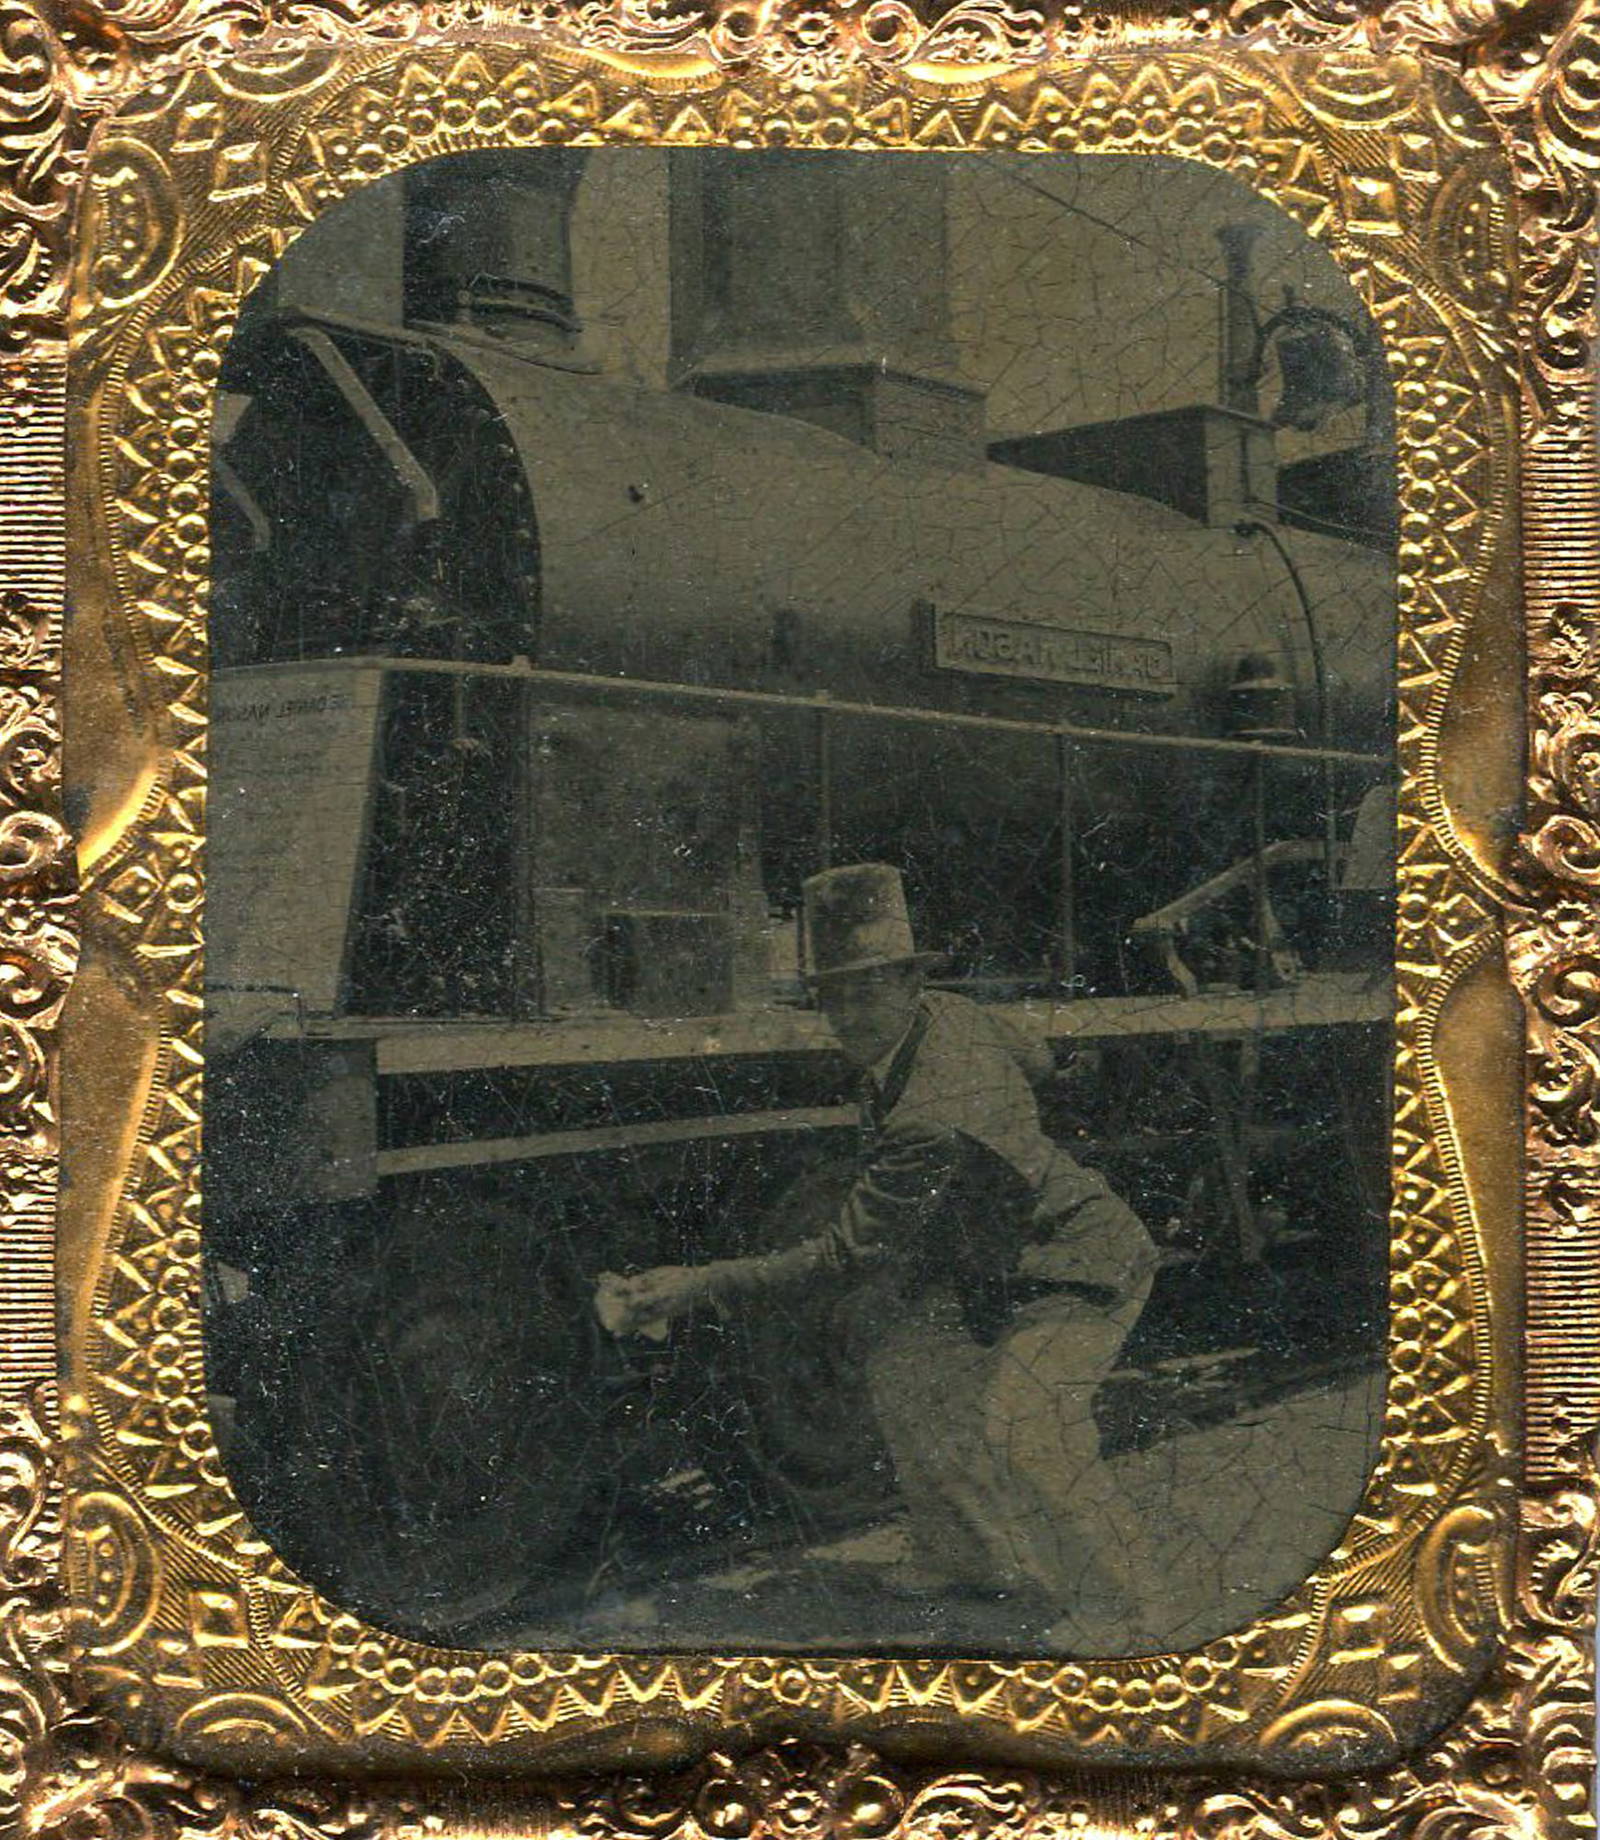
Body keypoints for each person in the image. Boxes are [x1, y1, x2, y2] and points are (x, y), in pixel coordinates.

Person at [595, 862, 1167, 1648]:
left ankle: (1123, 1612)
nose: (850, 1014)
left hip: (1077, 1263)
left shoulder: (929, 1118)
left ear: (906, 983)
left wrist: (700, 1283)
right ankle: (969, 1556)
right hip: (992, 1262)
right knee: (902, 1367)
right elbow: (1033, 1055)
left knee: (1026, 1428)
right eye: (836, 994)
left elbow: (842, 1255)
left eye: (870, 991)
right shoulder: (945, 1014)